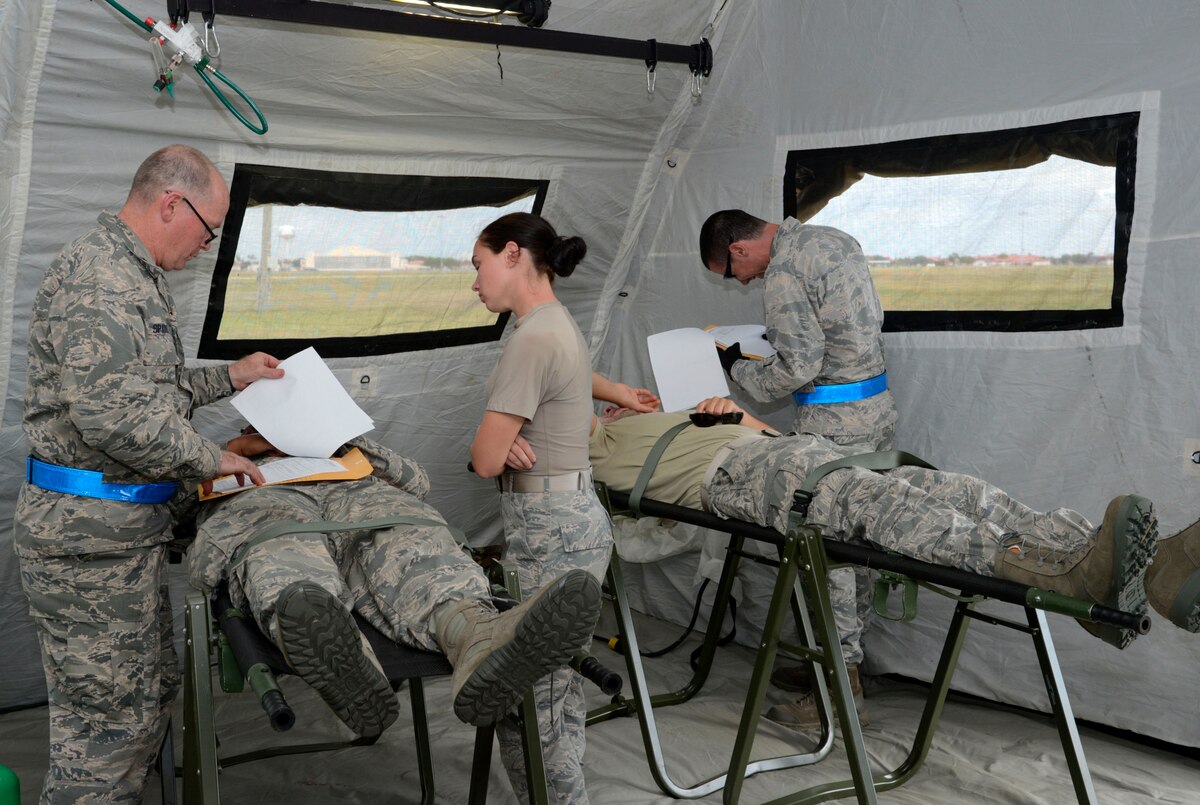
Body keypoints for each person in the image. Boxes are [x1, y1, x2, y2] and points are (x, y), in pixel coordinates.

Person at [14, 144, 285, 803]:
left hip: (120, 539)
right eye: (208, 229)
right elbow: (109, 414)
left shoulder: (134, 272)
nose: (205, 245)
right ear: (171, 204)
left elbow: (148, 389)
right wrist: (210, 458)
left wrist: (232, 376)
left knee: (146, 699)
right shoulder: (103, 279)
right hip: (88, 547)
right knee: (105, 739)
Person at [588, 397, 1200, 656]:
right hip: (746, 480)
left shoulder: (662, 415)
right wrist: (610, 400)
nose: (618, 402)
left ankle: (1146, 569)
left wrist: (734, 412)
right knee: (896, 514)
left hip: (799, 453)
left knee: (963, 491)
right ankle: (1063, 578)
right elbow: (555, 382)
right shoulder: (590, 450)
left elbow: (769, 433)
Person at [187, 431, 603, 745]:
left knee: (416, 546)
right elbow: (175, 507)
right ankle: (347, 660)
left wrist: (343, 440)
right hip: (270, 503)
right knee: (287, 562)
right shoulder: (221, 456)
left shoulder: (348, 451)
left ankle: (474, 637)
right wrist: (232, 452)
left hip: (365, 503)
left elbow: (417, 482)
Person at [699, 209, 898, 724]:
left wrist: (736, 367)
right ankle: (845, 666)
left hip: (834, 429)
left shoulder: (784, 272)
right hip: (875, 413)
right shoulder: (833, 238)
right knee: (862, 544)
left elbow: (797, 368)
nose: (742, 281)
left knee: (825, 555)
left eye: (732, 272)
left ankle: (838, 689)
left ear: (739, 249)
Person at [469, 212, 635, 805]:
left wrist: (495, 446)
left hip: (548, 529)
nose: (475, 281)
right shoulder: (554, 323)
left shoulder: (532, 338)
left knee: (531, 701)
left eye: (479, 264)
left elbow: (485, 459)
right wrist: (503, 443)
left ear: (513, 254)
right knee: (556, 691)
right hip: (570, 519)